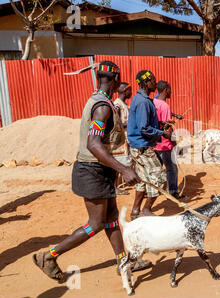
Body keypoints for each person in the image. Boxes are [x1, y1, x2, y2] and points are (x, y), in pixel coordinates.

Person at [32, 61, 148, 282]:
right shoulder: (102, 106)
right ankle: (48, 256)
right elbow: (93, 144)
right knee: (95, 223)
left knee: (112, 217)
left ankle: (122, 261)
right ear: (115, 80)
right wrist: (123, 169)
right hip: (92, 171)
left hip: (100, 171)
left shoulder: (99, 100)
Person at [127, 70, 172, 220]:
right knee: (159, 178)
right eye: (153, 80)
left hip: (138, 146)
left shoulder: (142, 99)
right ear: (146, 83)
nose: (155, 82)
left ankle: (135, 211)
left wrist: (159, 124)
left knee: (142, 179)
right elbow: (143, 128)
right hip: (143, 147)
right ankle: (146, 209)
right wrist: (162, 133)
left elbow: (144, 123)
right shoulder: (142, 102)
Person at [153, 80, 183, 199]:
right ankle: (173, 191)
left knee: (156, 168)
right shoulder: (164, 106)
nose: (171, 92)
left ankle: (153, 190)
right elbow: (167, 129)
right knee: (171, 167)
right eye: (170, 89)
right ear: (166, 90)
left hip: (153, 142)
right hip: (164, 144)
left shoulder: (153, 102)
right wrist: (176, 144)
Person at [113, 82, 133, 195]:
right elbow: (117, 122)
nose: (131, 92)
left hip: (126, 137)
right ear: (125, 91)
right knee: (118, 163)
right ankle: (114, 187)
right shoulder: (117, 104)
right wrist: (130, 125)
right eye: (130, 90)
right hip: (120, 139)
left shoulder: (123, 104)